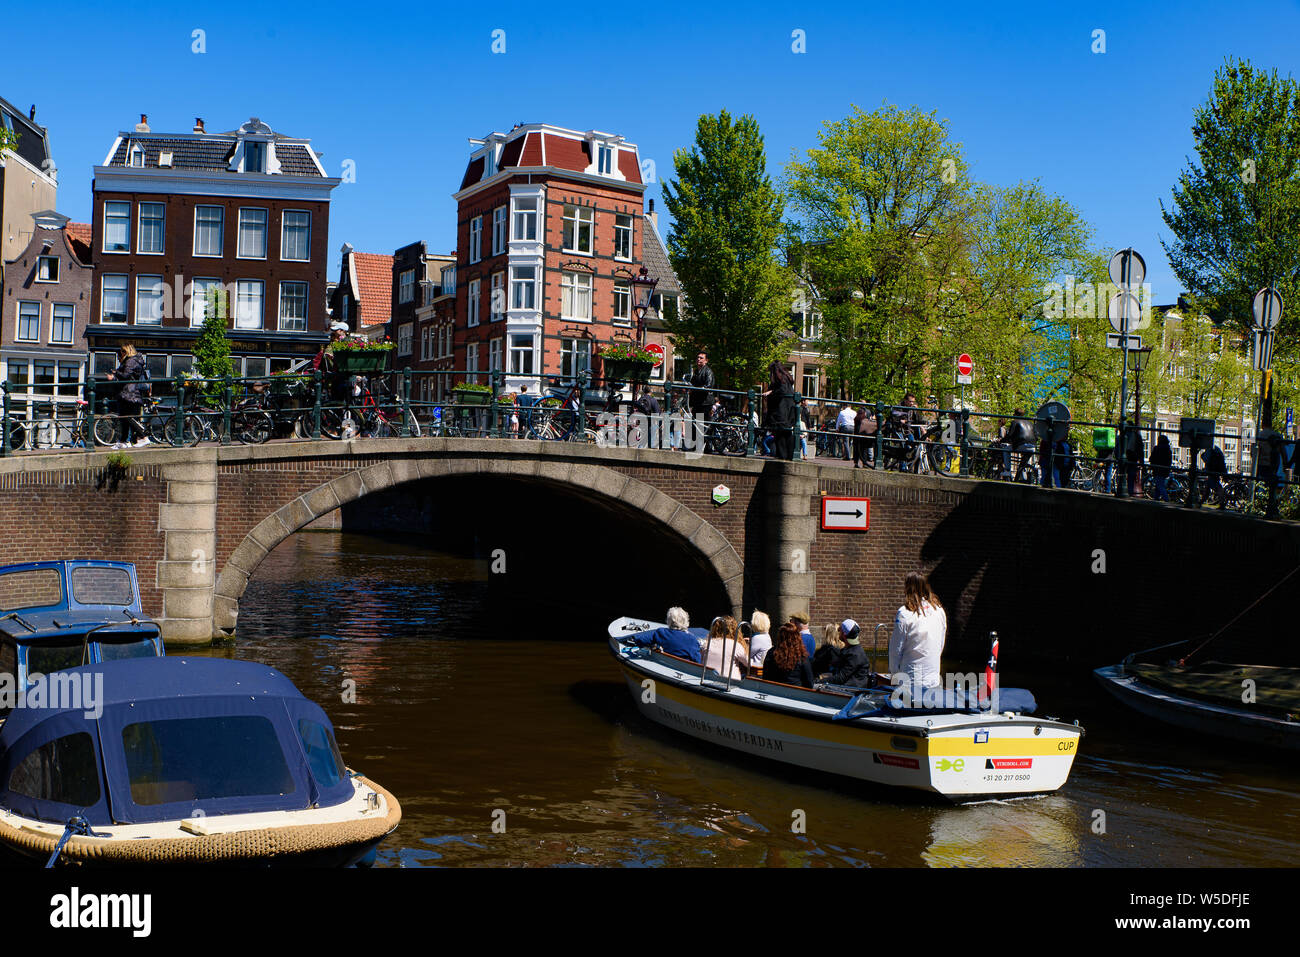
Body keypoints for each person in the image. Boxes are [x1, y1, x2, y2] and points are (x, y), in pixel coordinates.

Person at [888, 573, 947, 701]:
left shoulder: (904, 613)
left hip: (911, 681)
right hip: (933, 679)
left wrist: (894, 674)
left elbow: (895, 650)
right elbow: (940, 645)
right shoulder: (939, 610)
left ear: (907, 588)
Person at [104, 344, 149, 448]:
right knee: (125, 418)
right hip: (129, 392)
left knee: (127, 417)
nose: (121, 355)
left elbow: (125, 375)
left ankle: (143, 437)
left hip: (129, 393)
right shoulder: (134, 361)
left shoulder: (131, 361)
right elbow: (128, 377)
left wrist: (115, 373)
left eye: (122, 352)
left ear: (126, 352)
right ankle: (123, 441)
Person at [626, 606, 702, 663]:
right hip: (684, 673)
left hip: (664, 665)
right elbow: (698, 662)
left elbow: (641, 640)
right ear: (686, 621)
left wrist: (651, 646)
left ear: (669, 620)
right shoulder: (692, 640)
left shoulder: (661, 632)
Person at [823, 619, 873, 688]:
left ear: (844, 634)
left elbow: (840, 678)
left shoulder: (854, 654)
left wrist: (820, 681)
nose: (838, 632)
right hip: (847, 687)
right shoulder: (850, 649)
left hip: (852, 692)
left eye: (839, 630)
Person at [763, 622, 814, 688]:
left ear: (779, 637)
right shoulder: (801, 656)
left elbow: (765, 677)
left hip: (774, 691)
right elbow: (809, 681)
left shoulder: (772, 653)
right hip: (796, 692)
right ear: (797, 637)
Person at [763, 361, 797, 461]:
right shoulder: (786, 377)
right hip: (788, 409)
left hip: (781, 411)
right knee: (786, 433)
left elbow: (781, 391)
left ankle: (783, 455)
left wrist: (771, 393)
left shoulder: (780, 379)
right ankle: (787, 455)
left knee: (780, 433)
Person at [702, 615, 748, 682]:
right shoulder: (736, 645)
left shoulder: (707, 644)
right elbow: (748, 664)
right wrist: (747, 647)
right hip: (730, 682)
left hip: (707, 679)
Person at [1123, 420, 1145, 496]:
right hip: (1133, 458)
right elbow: (1140, 450)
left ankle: (1123, 490)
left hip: (1125, 457)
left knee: (1122, 474)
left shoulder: (1123, 435)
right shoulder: (1137, 436)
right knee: (1131, 475)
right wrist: (1142, 462)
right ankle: (1130, 491)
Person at [1150, 433, 1173, 501]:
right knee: (1158, 484)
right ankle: (1156, 499)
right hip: (1165, 469)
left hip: (1157, 469)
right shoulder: (1168, 449)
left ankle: (1166, 499)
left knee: (1160, 485)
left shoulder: (1157, 448)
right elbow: (1169, 461)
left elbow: (1152, 458)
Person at [853, 404, 876, 469]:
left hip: (857, 436)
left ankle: (856, 463)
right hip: (863, 436)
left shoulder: (856, 419)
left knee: (856, 449)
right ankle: (864, 463)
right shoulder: (864, 420)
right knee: (864, 449)